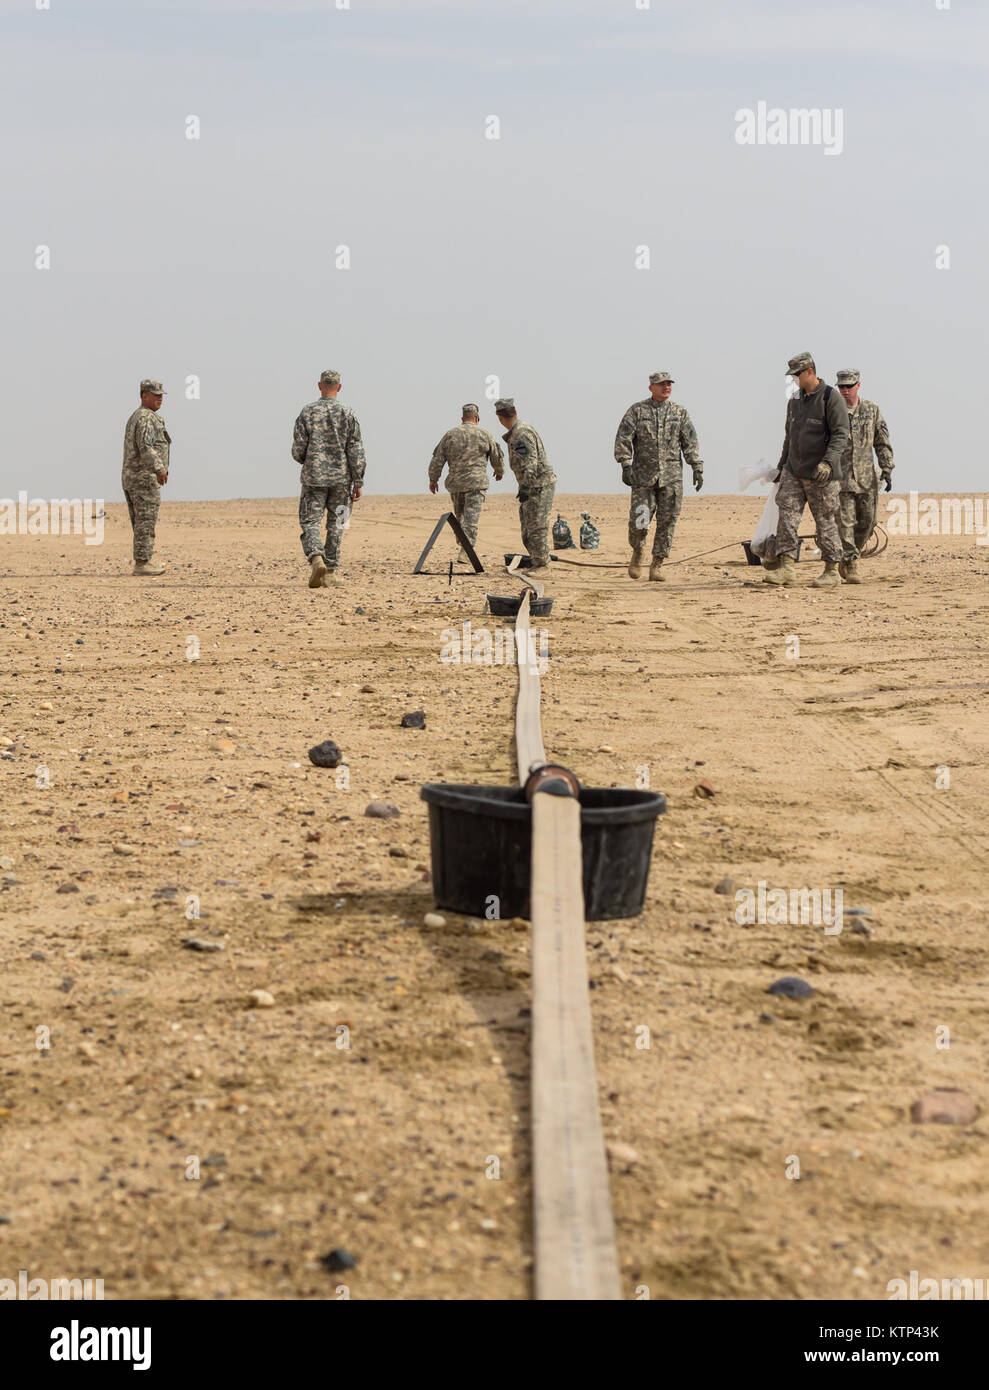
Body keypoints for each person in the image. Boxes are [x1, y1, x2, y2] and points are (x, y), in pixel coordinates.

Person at [764, 353, 849, 590]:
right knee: (787, 517)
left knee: (825, 521)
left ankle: (832, 570)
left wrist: (828, 463)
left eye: (797, 375)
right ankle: (787, 567)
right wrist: (781, 468)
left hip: (821, 474)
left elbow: (841, 434)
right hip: (794, 470)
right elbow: (789, 437)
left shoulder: (831, 398)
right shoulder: (795, 401)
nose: (794, 380)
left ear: (810, 372)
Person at [614, 371, 703, 581]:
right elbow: (623, 439)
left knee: (667, 521)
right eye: (662, 384)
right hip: (644, 479)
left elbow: (689, 443)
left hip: (671, 479)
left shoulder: (680, 412)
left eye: (669, 384)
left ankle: (657, 564)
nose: (666, 388)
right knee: (640, 520)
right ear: (651, 387)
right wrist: (626, 464)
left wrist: (696, 467)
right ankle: (638, 553)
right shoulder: (637, 411)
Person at [292, 369, 366, 588]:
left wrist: (308, 460)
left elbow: (298, 449)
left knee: (310, 521)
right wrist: (358, 480)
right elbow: (355, 449)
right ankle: (331, 571)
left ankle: (316, 558)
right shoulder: (347, 413)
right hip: (342, 480)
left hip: (314, 478)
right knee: (338, 523)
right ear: (339, 387)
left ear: (320, 386)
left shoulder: (307, 412)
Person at [835, 369, 894, 584]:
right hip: (840, 478)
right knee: (846, 522)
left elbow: (882, 441)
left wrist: (886, 468)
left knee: (868, 522)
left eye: (849, 386)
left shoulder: (871, 410)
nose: (845, 390)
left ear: (858, 385)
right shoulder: (832, 412)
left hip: (867, 478)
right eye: (841, 386)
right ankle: (851, 563)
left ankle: (851, 554)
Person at [428, 404, 504, 557]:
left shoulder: (450, 435)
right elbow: (496, 456)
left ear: (463, 419)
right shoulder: (484, 434)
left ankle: (464, 546)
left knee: (461, 517)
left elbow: (438, 459)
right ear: (477, 418)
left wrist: (433, 479)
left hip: (456, 484)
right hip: (476, 483)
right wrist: (499, 470)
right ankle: (466, 550)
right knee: (471, 518)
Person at [493, 398, 556, 570]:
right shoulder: (518, 431)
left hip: (538, 485)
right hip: (532, 485)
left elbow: (531, 462)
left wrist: (526, 486)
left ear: (499, 417)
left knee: (536, 526)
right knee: (528, 528)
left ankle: (541, 565)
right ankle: (538, 560)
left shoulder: (520, 433)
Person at [121, 379, 171, 577]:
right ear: (144, 396)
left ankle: (144, 559)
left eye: (161, 395)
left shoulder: (139, 416)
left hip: (134, 477)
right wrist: (159, 468)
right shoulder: (146, 417)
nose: (159, 398)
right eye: (155, 394)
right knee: (145, 521)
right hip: (143, 478)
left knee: (141, 521)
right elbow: (146, 447)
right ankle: (143, 563)